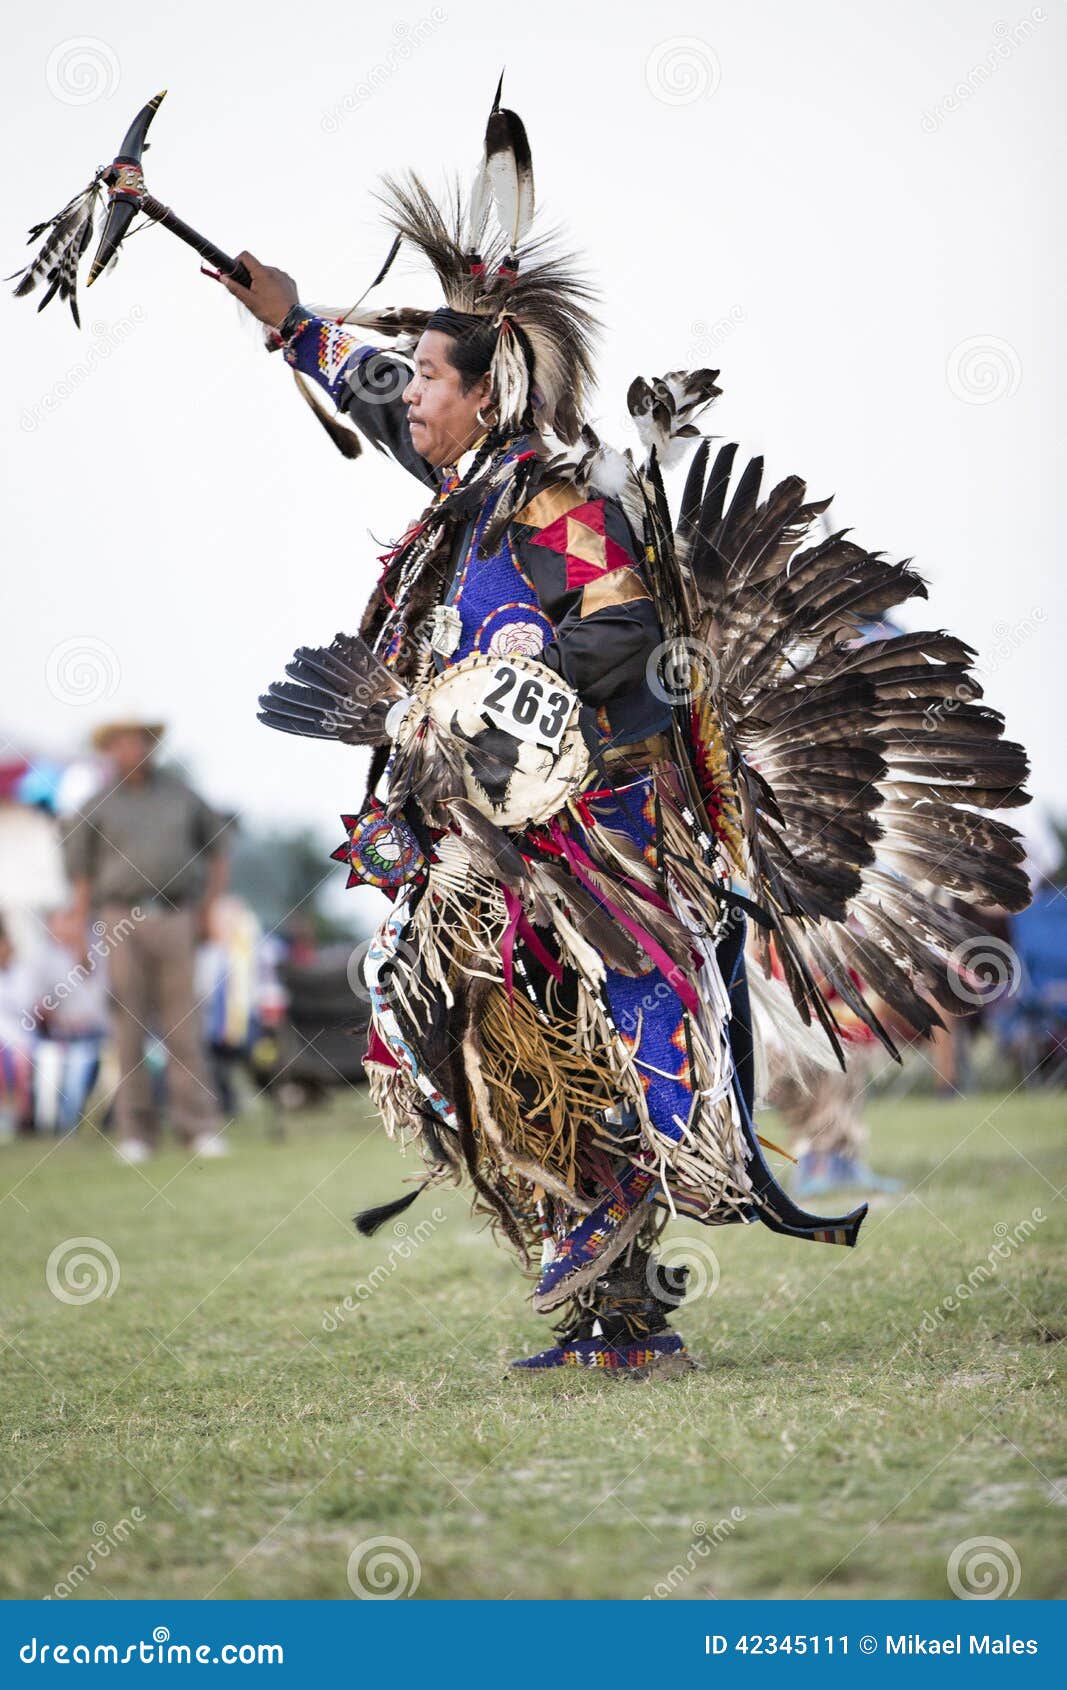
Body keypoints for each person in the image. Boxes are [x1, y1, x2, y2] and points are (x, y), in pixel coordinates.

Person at [221, 86, 1030, 1373]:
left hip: (599, 847)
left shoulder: (552, 504)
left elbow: (632, 642)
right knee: (487, 1045)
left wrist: (508, 680)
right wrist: (285, 318)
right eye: (412, 380)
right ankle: (609, 1309)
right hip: (492, 840)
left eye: (431, 378)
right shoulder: (465, 490)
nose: (409, 396)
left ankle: (634, 1296)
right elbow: (370, 387)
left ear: (487, 395)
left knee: (616, 1050)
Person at [62, 719, 231, 1162]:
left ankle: (198, 1128)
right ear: (109, 750)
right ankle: (136, 1133)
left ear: (151, 745)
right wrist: (80, 932)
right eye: (121, 742)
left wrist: (210, 910)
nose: (132, 749)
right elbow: (81, 877)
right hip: (119, 919)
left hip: (176, 914)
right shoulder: (95, 805)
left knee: (184, 1025)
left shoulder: (181, 794)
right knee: (127, 1027)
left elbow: (217, 849)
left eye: (139, 740)